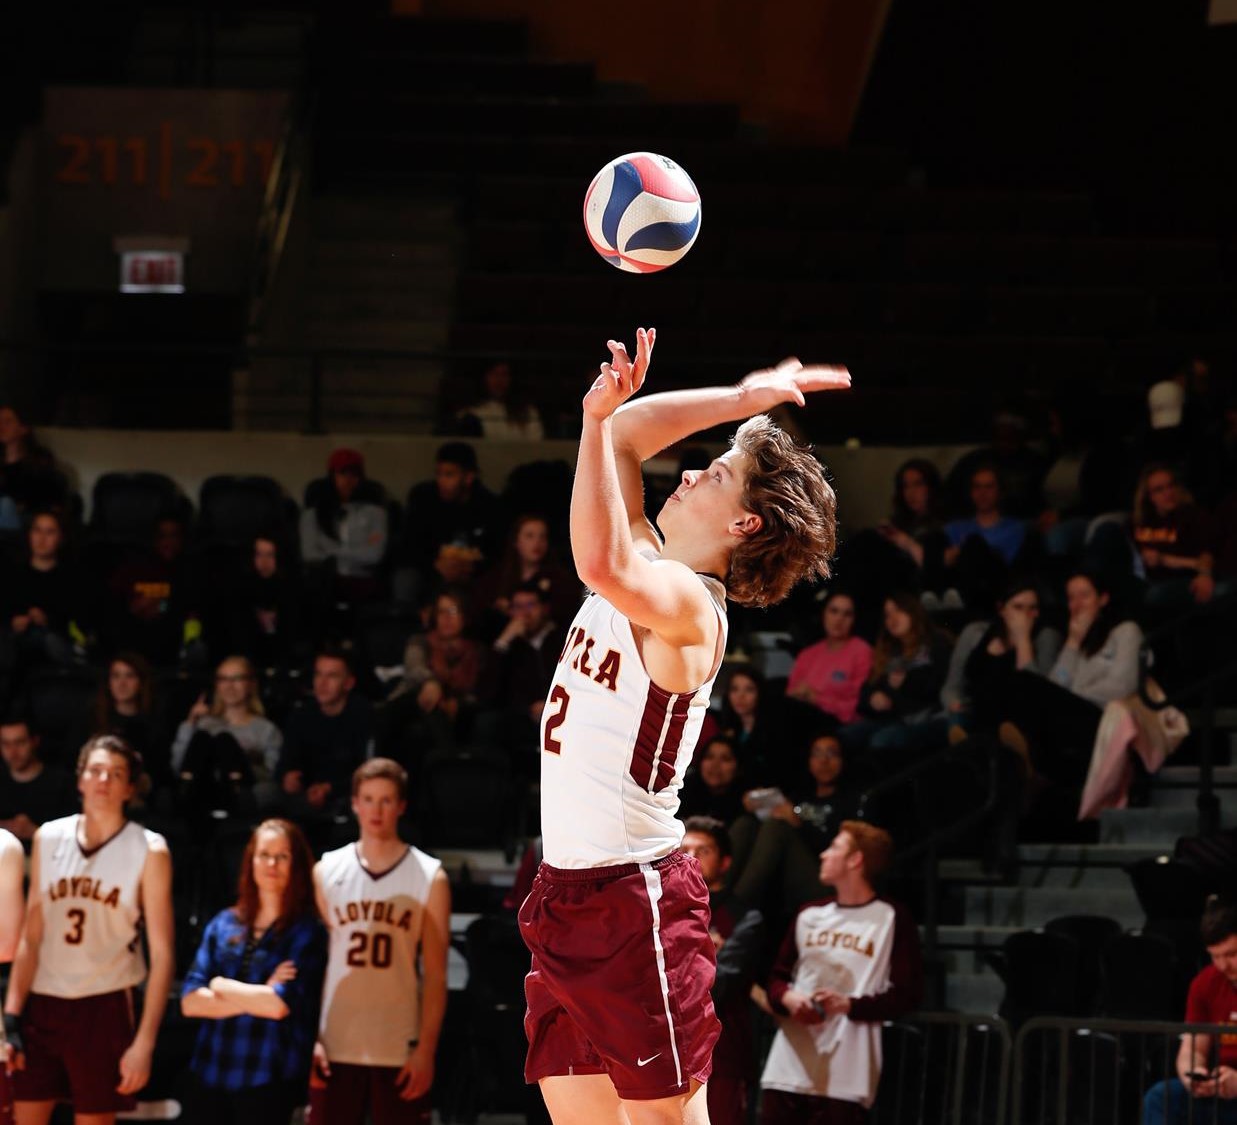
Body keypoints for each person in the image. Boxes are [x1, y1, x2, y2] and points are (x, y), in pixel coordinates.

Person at [519, 327, 844, 1125]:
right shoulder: (646, 557)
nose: (691, 468)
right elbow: (626, 433)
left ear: (743, 527)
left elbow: (597, 559)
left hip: (635, 900)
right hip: (564, 892)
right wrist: (736, 403)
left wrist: (598, 425)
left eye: (717, 474)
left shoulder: (692, 607)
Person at [3, 735, 175, 1124]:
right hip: (42, 1002)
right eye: (95, 770)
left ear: (130, 788)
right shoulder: (49, 836)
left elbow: (163, 955)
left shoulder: (150, 850)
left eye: (116, 774)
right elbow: (32, 935)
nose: (103, 780)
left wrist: (144, 1043)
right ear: (80, 779)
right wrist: (11, 1017)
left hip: (104, 1005)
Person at [310, 759, 451, 1125]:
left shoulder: (430, 875)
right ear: (354, 803)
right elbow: (313, 965)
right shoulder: (325, 870)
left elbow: (436, 975)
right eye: (369, 799)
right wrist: (311, 1038)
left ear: (401, 806)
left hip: (398, 1045)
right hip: (335, 1042)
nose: (377, 809)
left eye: (386, 800)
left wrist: (426, 1050)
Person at [759, 821, 922, 1123]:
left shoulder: (890, 917)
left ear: (855, 860)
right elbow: (776, 980)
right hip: (789, 1064)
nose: (823, 855)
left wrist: (849, 1005)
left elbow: (907, 994)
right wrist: (790, 998)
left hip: (847, 1071)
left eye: (834, 847)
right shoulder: (809, 914)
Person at [180, 819, 326, 1125]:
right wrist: (260, 992)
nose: (271, 864)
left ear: (296, 865)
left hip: (267, 1076)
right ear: (251, 860)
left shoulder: (306, 931)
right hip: (211, 1070)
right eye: (264, 854)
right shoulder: (223, 923)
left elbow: (278, 1006)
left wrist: (220, 985)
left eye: (282, 856)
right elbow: (190, 1001)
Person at [681, 818, 764, 1125]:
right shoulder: (657, 908)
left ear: (725, 861)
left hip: (723, 1051)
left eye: (703, 850)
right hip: (663, 1047)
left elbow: (722, 985)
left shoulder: (744, 918)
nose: (691, 857)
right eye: (684, 849)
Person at [1142, 897, 1237, 1125]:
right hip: (1220, 1090)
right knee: (1161, 1097)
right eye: (1215, 956)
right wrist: (1194, 1075)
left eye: (1232, 955)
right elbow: (1193, 1048)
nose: (1223, 965)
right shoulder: (1205, 983)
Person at [939, 578, 1062, 737]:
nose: (1026, 615)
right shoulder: (976, 632)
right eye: (1018, 607)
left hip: (1016, 721)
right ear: (1002, 609)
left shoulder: (1046, 637)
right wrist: (952, 701)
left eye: (1032, 608)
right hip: (975, 712)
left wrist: (1023, 640)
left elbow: (1036, 695)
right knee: (957, 723)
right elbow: (952, 684)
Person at [839, 593, 952, 756]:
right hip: (892, 719)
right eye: (887, 614)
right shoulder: (888, 651)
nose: (892, 618)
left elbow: (942, 682)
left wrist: (908, 681)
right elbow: (866, 690)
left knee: (884, 739)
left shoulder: (936, 641)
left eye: (898, 610)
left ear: (912, 611)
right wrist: (873, 698)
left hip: (929, 718)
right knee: (844, 737)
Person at [171, 656, 283, 817]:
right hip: (201, 792)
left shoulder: (266, 729)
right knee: (204, 738)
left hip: (241, 797)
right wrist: (190, 722)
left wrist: (245, 759)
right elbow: (177, 767)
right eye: (223, 679)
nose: (229, 686)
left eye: (237, 679)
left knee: (224, 741)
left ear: (251, 684)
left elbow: (273, 775)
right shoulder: (203, 723)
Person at [276, 650, 374, 833]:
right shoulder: (302, 715)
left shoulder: (363, 715)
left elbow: (368, 770)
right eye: (318, 674)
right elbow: (286, 761)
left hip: (347, 795)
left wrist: (330, 789)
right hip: (306, 795)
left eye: (332, 676)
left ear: (348, 683)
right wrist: (288, 776)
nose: (322, 683)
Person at [402, 442, 507, 596]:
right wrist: (435, 564)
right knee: (406, 579)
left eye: (449, 475)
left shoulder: (489, 505)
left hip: (474, 574)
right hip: (431, 571)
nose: (441, 481)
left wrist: (473, 567)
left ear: (469, 477)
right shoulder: (424, 499)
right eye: (439, 474)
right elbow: (409, 544)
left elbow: (498, 551)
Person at [104, 514, 204, 668]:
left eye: (174, 536)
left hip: (171, 638)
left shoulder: (190, 571)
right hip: (134, 634)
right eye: (162, 536)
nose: (168, 542)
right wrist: (136, 608)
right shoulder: (133, 568)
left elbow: (191, 608)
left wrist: (162, 605)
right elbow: (113, 603)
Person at [470, 514, 581, 643]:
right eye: (529, 536)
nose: (537, 543)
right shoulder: (495, 579)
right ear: (516, 541)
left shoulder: (561, 580)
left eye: (542, 537)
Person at [300, 449, 389, 606]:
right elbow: (310, 554)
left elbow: (374, 554)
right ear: (332, 476)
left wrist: (330, 551)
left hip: (362, 580)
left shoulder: (376, 513)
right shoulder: (312, 515)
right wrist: (355, 552)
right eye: (342, 473)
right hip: (325, 581)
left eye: (354, 474)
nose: (348, 480)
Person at [2, 511, 85, 676]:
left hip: (55, 642)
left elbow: (78, 621)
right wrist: (13, 621)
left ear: (61, 538)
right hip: (15, 640)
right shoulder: (11, 573)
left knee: (48, 640)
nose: (41, 539)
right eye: (37, 531)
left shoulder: (72, 578)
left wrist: (47, 620)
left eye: (49, 532)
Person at [1132, 463, 1218, 609]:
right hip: (1143, 581)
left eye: (1171, 486)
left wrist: (1164, 559)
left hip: (1181, 580)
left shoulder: (1194, 516)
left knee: (1155, 595)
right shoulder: (1138, 522)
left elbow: (1206, 559)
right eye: (1159, 490)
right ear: (1149, 497)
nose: (1168, 493)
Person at [786, 591, 872, 729]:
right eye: (834, 611)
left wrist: (816, 698)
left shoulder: (862, 651)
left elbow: (856, 705)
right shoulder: (807, 654)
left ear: (854, 620)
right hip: (804, 718)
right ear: (823, 614)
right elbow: (791, 694)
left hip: (841, 724)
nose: (839, 619)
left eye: (847, 614)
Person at [0, 717, 76, 847]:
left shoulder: (61, 783)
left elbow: (73, 838)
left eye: (20, 743)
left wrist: (36, 832)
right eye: (6, 744)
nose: (13, 752)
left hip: (47, 858)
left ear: (34, 741)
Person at [678, 736, 748, 825]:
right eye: (709, 757)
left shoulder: (745, 803)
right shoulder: (681, 792)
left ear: (738, 767)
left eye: (725, 759)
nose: (715, 765)